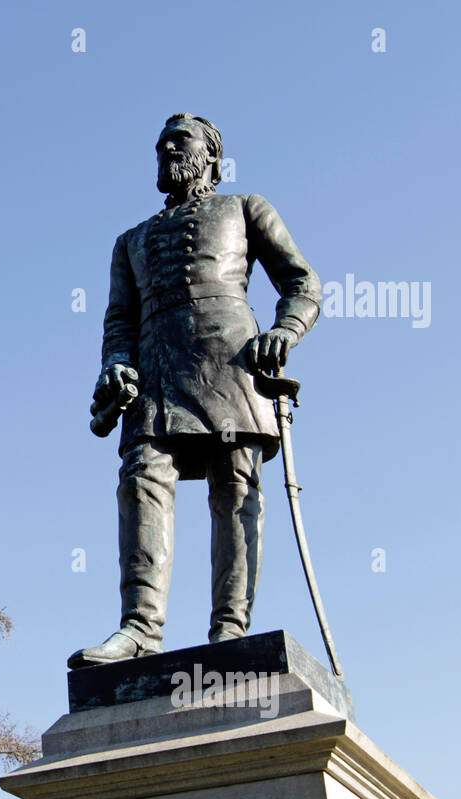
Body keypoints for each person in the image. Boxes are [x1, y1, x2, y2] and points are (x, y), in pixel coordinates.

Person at [68, 113, 321, 669]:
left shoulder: (247, 208)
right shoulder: (129, 241)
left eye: (178, 140)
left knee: (235, 485)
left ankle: (230, 630)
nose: (165, 149)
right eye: (159, 143)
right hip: (156, 374)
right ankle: (138, 628)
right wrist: (116, 363)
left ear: (211, 155)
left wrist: (285, 331)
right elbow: (118, 323)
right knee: (141, 476)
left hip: (232, 361)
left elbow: (302, 283)